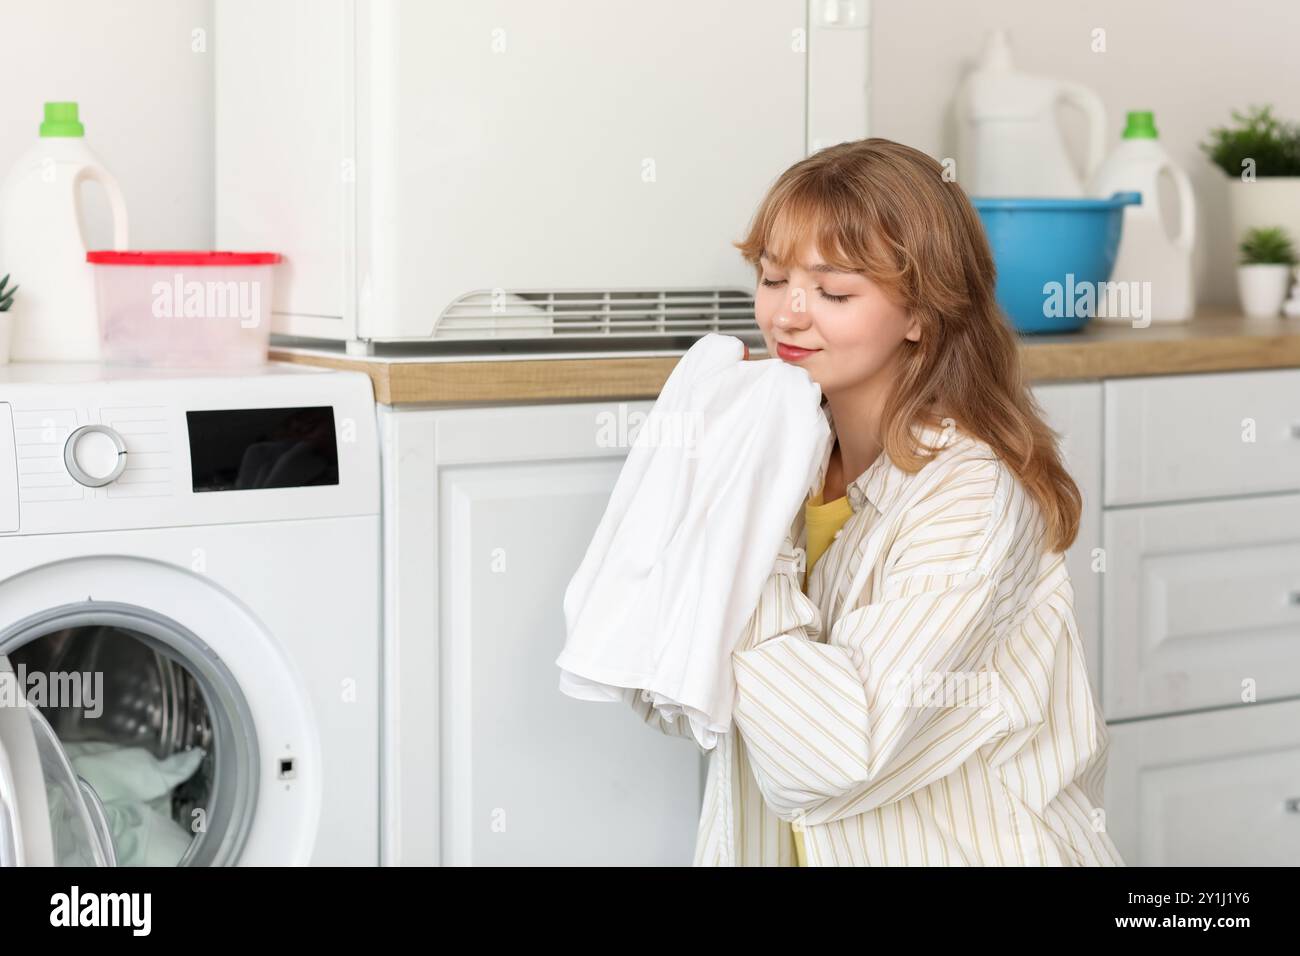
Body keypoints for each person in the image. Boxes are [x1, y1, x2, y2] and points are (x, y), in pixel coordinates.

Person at [629, 138, 1125, 867]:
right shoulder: (779, 456)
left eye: (833, 292)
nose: (788, 316)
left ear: (921, 315)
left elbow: (828, 757)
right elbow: (670, 689)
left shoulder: (972, 500)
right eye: (773, 278)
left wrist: (738, 537)